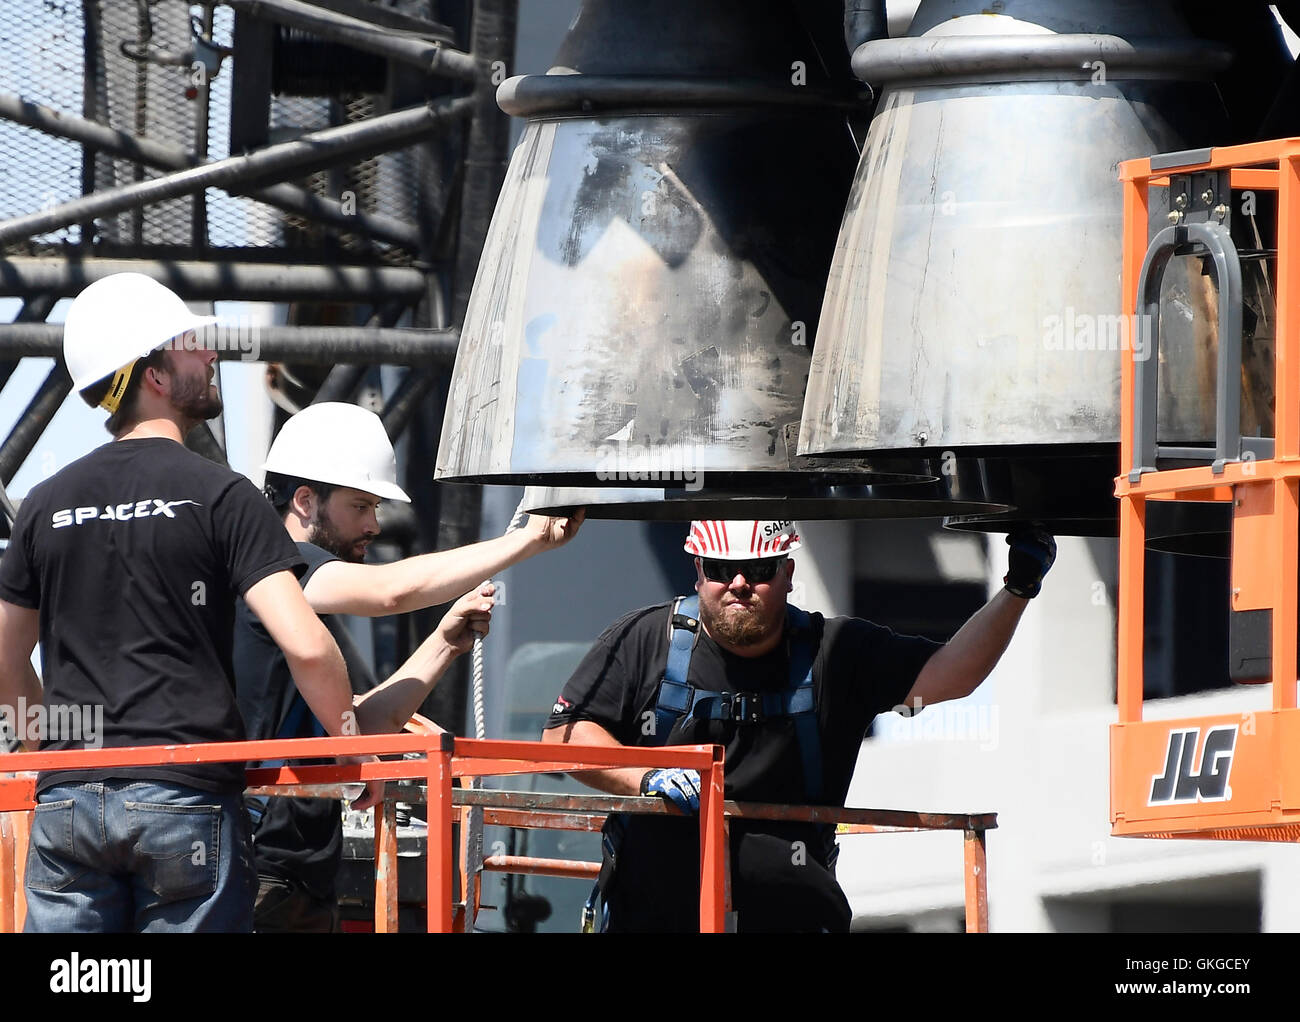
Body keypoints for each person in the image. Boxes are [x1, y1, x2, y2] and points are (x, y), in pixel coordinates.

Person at [0, 273, 372, 933]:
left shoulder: (46, 504)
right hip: (184, 799)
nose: (210, 354)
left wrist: (56, 749)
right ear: (156, 376)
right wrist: (351, 756)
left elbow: (3, 657)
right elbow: (310, 645)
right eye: (191, 344)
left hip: (66, 809)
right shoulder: (220, 497)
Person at [541, 518, 1056, 932]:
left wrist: (1018, 587)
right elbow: (564, 736)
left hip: (796, 916)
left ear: (788, 572)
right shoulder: (645, 639)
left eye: (759, 569)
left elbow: (951, 675)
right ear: (697, 570)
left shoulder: (837, 652)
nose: (739, 583)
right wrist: (646, 778)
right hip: (650, 916)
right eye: (722, 568)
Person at [234, 401, 583, 931]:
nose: (375, 524)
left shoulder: (297, 603)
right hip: (259, 869)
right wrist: (527, 540)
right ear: (306, 501)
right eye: (361, 506)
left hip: (294, 874)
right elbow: (393, 592)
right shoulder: (279, 572)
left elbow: (358, 733)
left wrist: (443, 643)